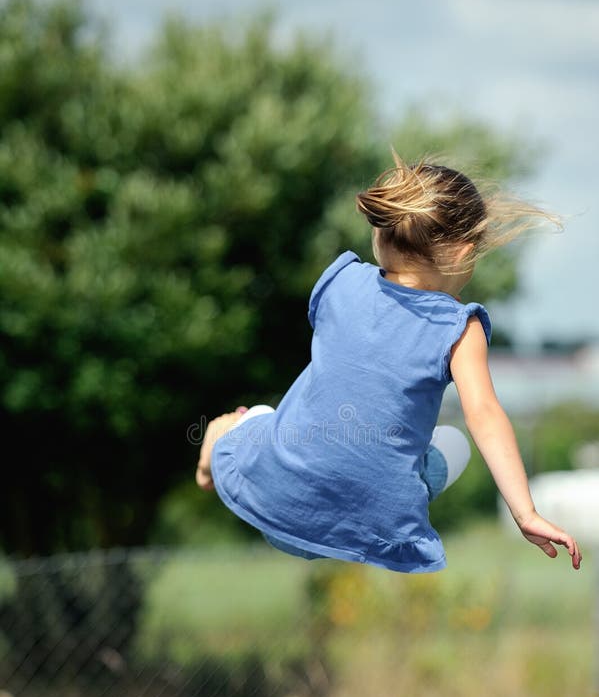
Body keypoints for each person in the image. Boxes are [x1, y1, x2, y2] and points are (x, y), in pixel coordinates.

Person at [196, 152, 582, 573]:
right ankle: (249, 442)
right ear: (462, 254)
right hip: (366, 527)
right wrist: (525, 513)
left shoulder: (341, 280)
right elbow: (484, 415)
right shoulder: (459, 326)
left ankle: (221, 445)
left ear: (380, 236)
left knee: (261, 415)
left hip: (273, 500)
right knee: (453, 443)